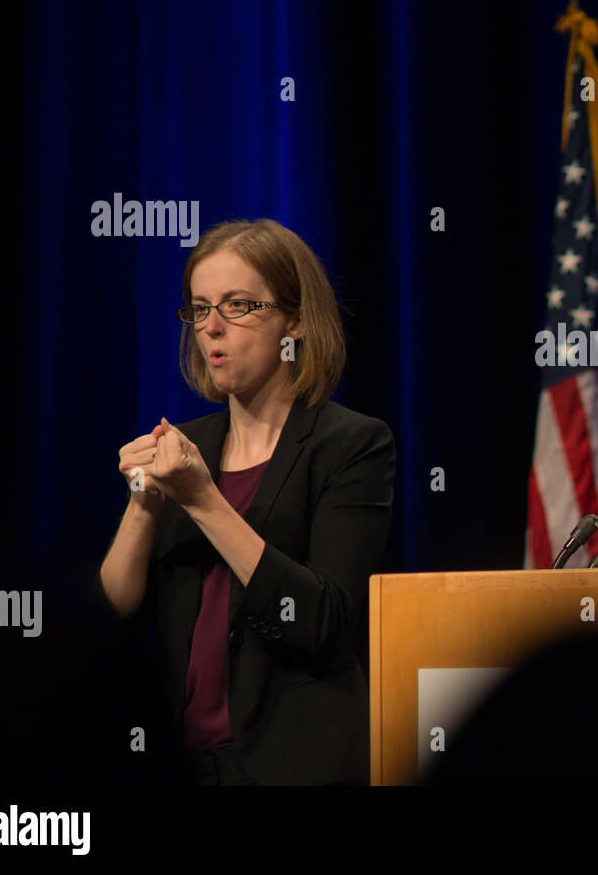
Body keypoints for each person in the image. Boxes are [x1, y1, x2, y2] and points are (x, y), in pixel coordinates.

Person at [91, 218, 395, 784]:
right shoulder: (186, 447)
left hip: (298, 762)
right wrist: (144, 505)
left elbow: (322, 617)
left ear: (295, 321)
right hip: (185, 763)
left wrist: (203, 499)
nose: (212, 329)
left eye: (238, 306)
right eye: (200, 309)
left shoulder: (351, 444)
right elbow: (114, 611)